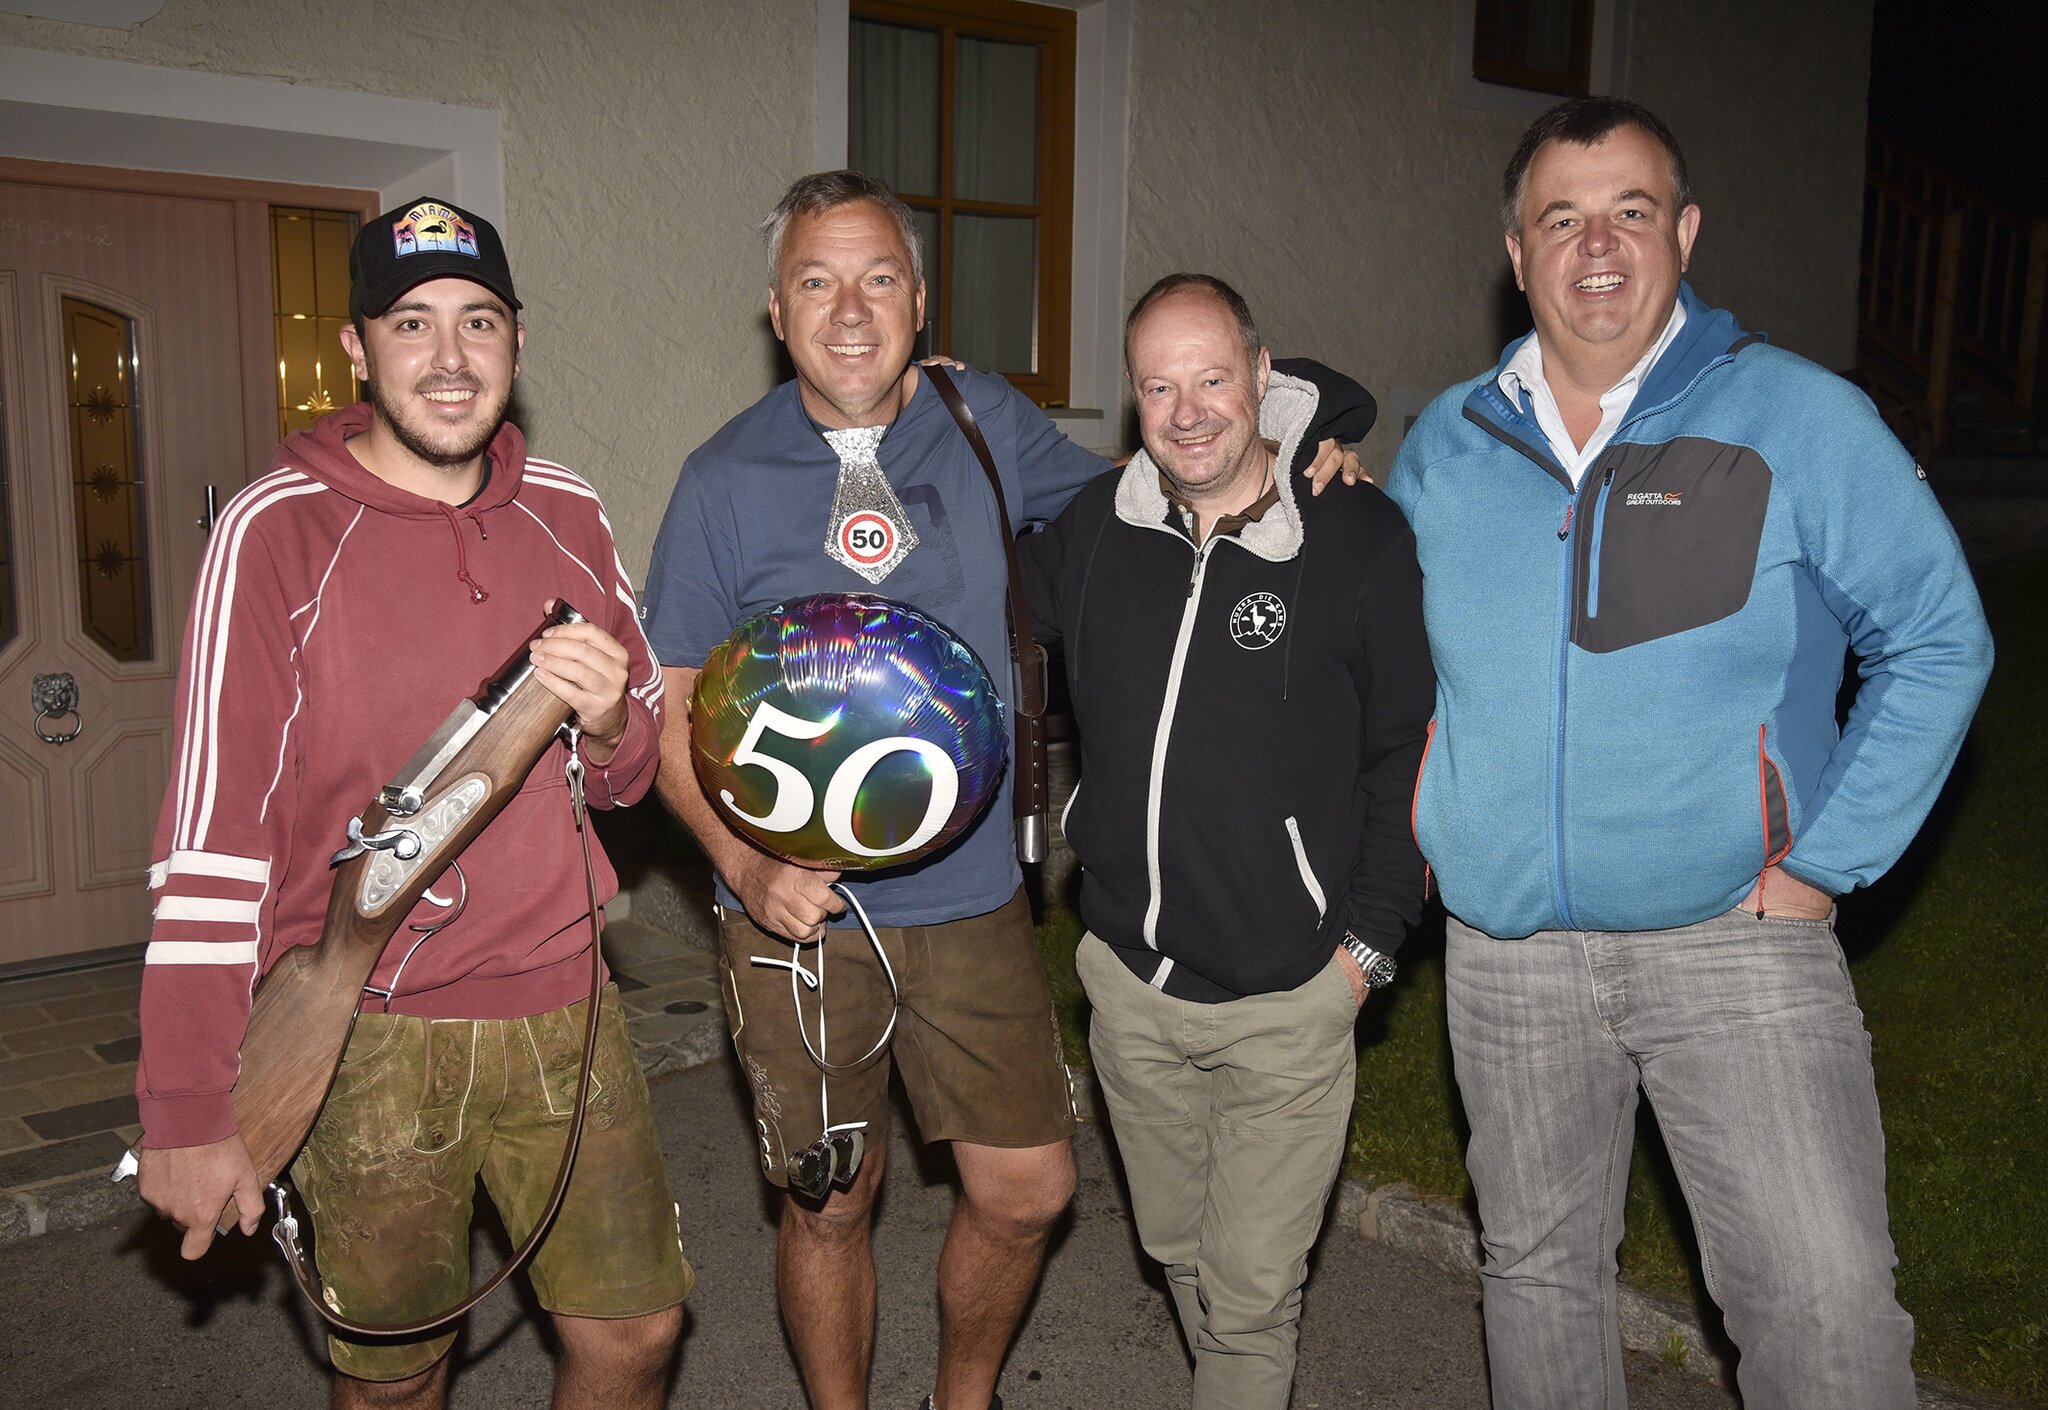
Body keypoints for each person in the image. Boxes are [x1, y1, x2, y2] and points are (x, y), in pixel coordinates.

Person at [642, 172, 1361, 1410]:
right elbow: (663, 707)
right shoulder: (721, 479)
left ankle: (959, 1398)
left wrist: (1310, 428)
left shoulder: (982, 423)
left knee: (1026, 1190)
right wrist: (746, 867)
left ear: (919, 298)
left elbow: (1166, 469)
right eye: (817, 281)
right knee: (831, 1199)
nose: (850, 310)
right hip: (795, 912)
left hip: (970, 896)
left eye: (878, 279)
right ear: (775, 308)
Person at [1386, 98, 1995, 1410]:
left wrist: (1823, 863)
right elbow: (1394, 664)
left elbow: (1941, 636)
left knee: (1820, 1311)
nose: (1595, 246)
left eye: (1631, 211)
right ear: (1516, 248)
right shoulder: (1446, 442)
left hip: (1737, 932)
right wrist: (1432, 832)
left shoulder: (1798, 414)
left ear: (1686, 231)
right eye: (1562, 218)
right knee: (1539, 1281)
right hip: (1506, 951)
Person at [133, 198, 691, 1410]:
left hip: (567, 1009)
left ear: (517, 344)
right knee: (394, 1379)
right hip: (367, 1028)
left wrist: (608, 722)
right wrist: (184, 1103)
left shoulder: (571, 508)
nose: (449, 358)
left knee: (639, 1334)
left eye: (478, 322)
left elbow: (633, 774)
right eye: (413, 323)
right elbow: (210, 838)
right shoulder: (271, 531)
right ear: (356, 348)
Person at [1018, 273, 1435, 1409]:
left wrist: (1369, 943)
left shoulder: (1355, 537)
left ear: (1261, 375)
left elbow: (1410, 744)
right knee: (1179, 1253)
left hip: (1288, 996)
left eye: (1212, 377)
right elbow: (985, 595)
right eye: (1159, 386)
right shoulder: (1099, 530)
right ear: (1129, 400)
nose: (1187, 408)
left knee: (1250, 1295)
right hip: (1131, 985)